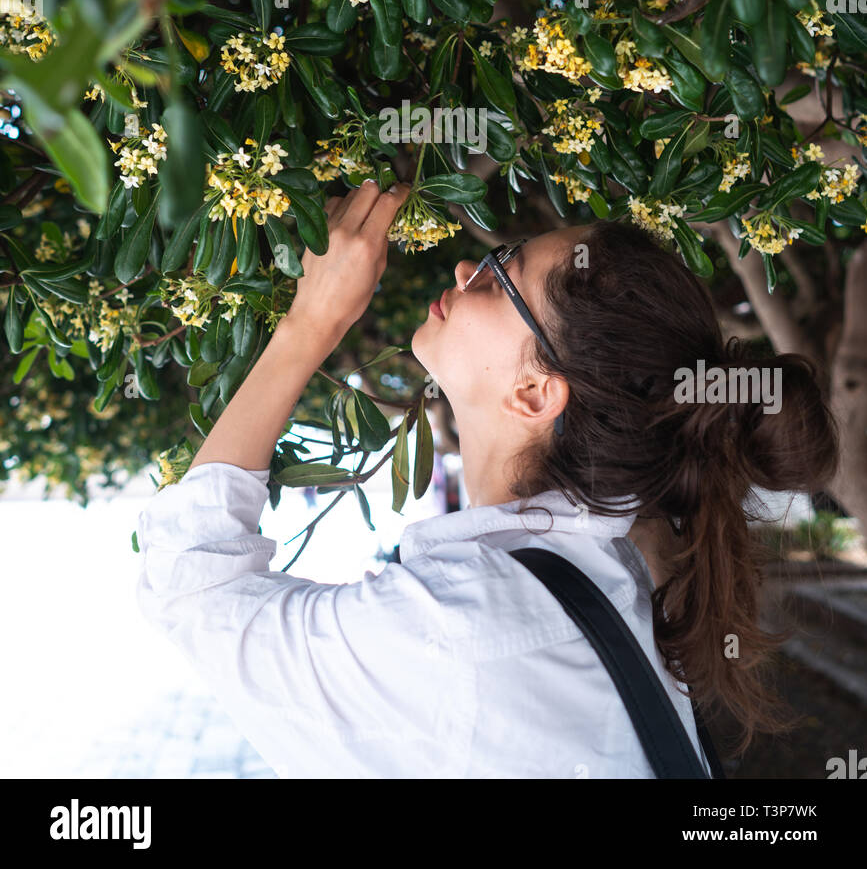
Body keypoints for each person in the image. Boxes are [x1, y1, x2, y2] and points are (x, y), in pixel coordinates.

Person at [135, 180, 839, 778]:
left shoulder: (466, 618)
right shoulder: (595, 576)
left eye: (500, 274)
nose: (468, 268)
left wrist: (312, 320)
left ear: (534, 394)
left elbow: (190, 579)